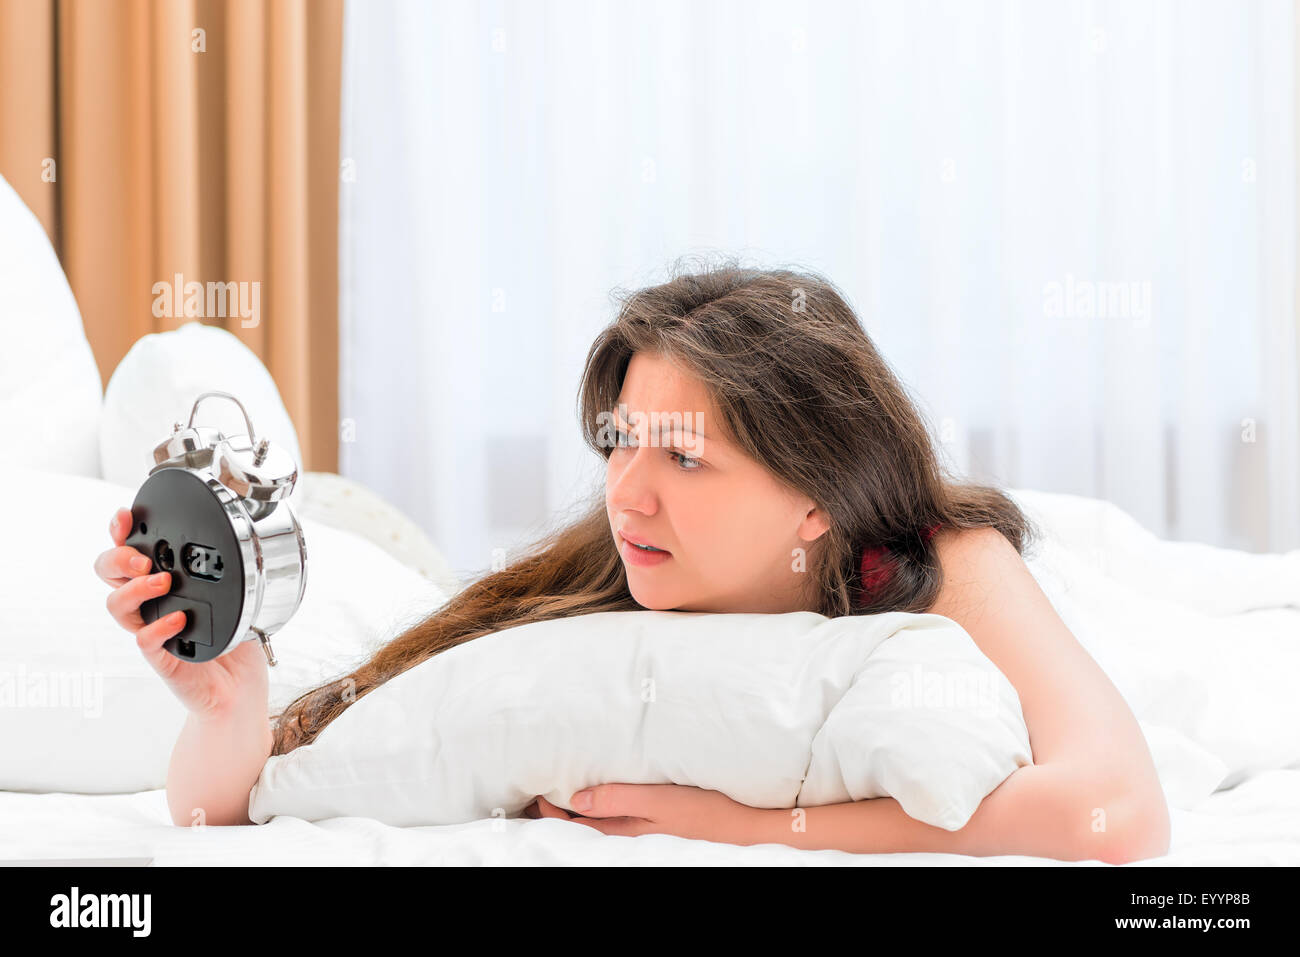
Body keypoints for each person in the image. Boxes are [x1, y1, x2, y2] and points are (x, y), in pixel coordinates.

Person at [93, 258, 1169, 862]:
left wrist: (744, 827)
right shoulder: (592, 589)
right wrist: (222, 714)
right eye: (620, 442)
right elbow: (227, 812)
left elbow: (1111, 815)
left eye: (686, 458)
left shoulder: (938, 559)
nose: (626, 495)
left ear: (815, 498)